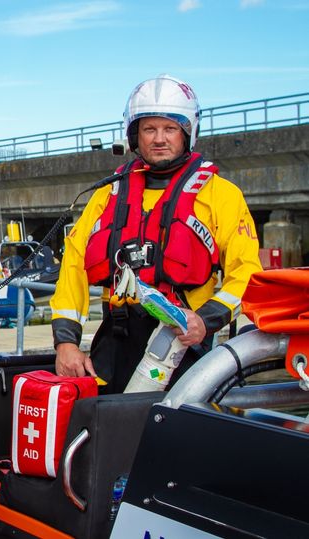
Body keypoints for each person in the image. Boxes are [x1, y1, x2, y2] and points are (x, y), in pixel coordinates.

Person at [50, 75, 262, 393]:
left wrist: (206, 319)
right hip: (114, 346)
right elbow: (73, 268)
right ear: (135, 135)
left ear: (187, 132)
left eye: (170, 128)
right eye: (149, 129)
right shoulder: (108, 195)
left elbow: (247, 273)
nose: (159, 139)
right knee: (102, 422)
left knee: (179, 425)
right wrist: (66, 342)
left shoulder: (221, 195)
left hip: (184, 347)